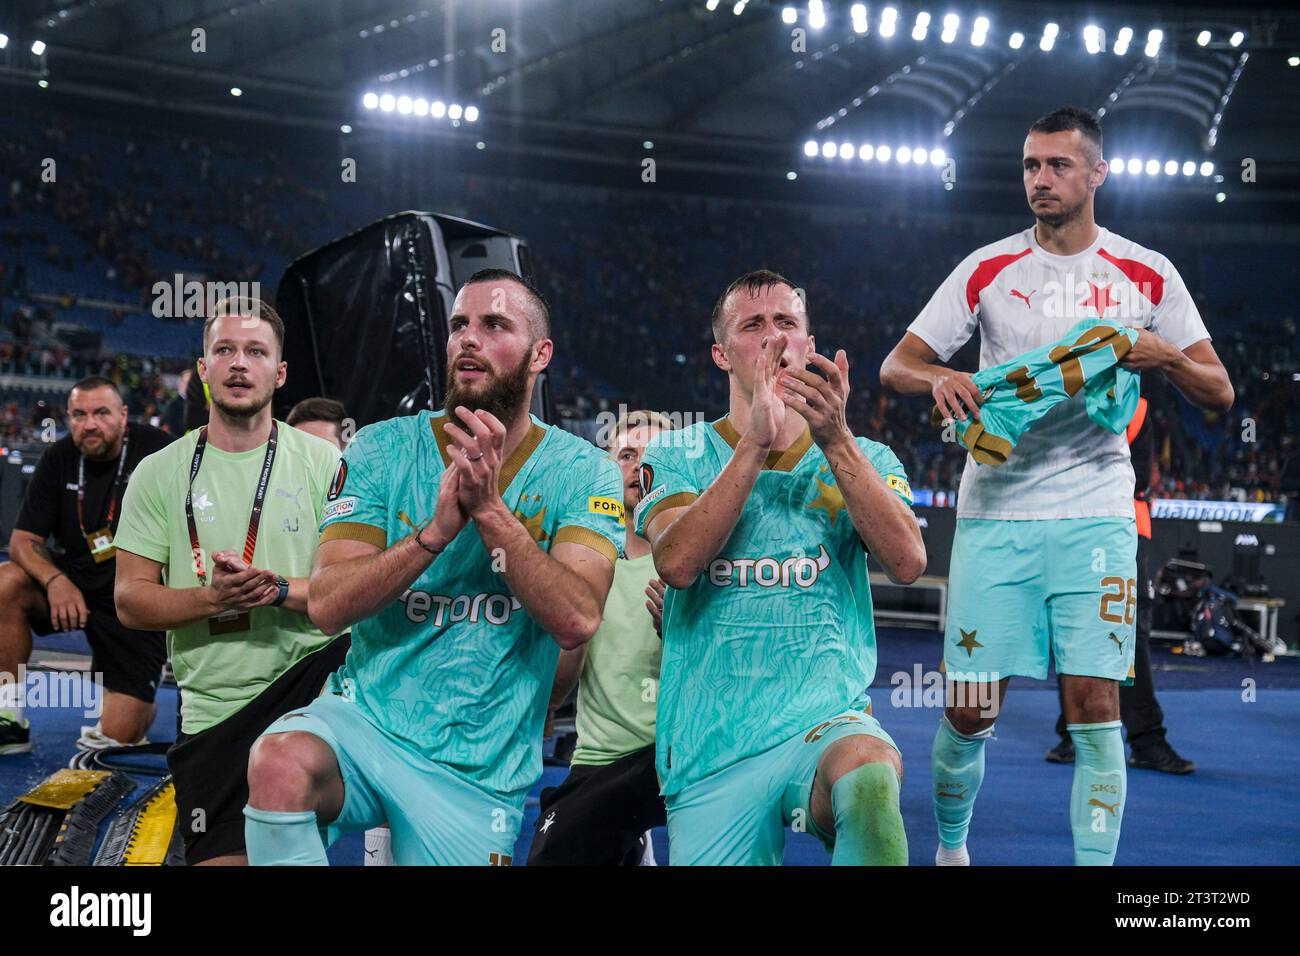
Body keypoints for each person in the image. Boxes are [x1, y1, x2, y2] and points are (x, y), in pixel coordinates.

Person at [880, 106, 1233, 866]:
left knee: (1095, 707)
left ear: (1097, 174)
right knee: (971, 712)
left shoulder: (1147, 272)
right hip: (996, 513)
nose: (1040, 180)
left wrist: (1161, 357)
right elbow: (895, 365)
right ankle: (950, 850)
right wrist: (945, 374)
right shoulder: (989, 268)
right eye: (1030, 166)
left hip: (1096, 515)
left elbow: (1219, 392)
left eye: (1058, 166)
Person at [242, 268, 625, 865]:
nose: (468, 339)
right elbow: (327, 605)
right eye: (458, 326)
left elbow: (576, 617)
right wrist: (436, 531)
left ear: (539, 354)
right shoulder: (380, 447)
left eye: (494, 325)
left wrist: (491, 513)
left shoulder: (584, 472)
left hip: (479, 767)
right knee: (279, 761)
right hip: (365, 724)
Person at [636, 269, 925, 866]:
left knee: (870, 776)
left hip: (823, 725)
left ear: (809, 346)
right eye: (753, 325)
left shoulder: (865, 456)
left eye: (787, 323)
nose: (773, 338)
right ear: (721, 353)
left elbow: (907, 561)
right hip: (711, 743)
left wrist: (838, 441)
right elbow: (680, 563)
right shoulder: (675, 454)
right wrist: (754, 445)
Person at [113, 297, 349, 865]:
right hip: (212, 712)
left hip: (312, 693)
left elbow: (352, 595)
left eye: (255, 351)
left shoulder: (325, 463)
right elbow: (129, 600)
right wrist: (211, 600)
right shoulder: (158, 471)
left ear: (280, 371)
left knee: (298, 830)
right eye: (224, 350)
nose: (239, 363)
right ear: (202, 368)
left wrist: (272, 591)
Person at [0, 376, 173, 754]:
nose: (89, 423)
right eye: (79, 414)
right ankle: (7, 718)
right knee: (6, 582)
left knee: (118, 738)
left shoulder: (160, 451)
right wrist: (55, 580)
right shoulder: (59, 457)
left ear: (123, 415)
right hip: (74, 587)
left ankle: (134, 696)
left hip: (134, 598)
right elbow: (22, 542)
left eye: (101, 413)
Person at [529, 409, 671, 866]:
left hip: (688, 754)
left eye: (653, 455)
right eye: (626, 455)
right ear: (608, 470)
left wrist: (685, 635)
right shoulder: (584, 564)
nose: (637, 466)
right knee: (551, 856)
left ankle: (632, 844)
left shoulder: (706, 564)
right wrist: (574, 626)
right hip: (603, 758)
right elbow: (554, 690)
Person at [1046, 395, 1195, 774]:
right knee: (1125, 633)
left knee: (1084, 627)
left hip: (1089, 524)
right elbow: (1142, 479)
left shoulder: (1067, 398)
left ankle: (1075, 734)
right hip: (1118, 525)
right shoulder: (1136, 406)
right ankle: (1142, 739)